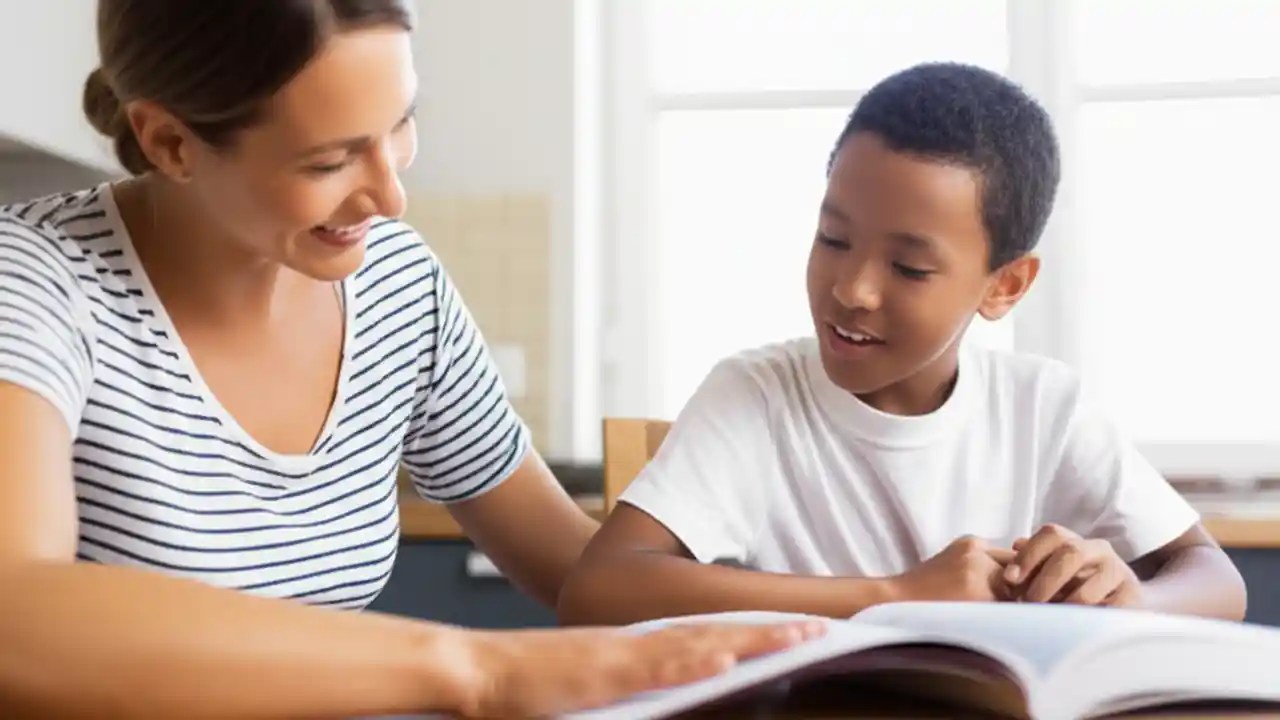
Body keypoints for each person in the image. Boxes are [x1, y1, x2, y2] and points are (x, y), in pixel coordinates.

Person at [0, 2, 823, 717]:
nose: (389, 195)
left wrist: (852, 614)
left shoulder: (398, 287)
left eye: (400, 125)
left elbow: (580, 572)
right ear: (170, 141)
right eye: (329, 162)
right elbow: (17, 616)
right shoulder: (36, 281)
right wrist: (479, 669)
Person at [558, 63, 1247, 626]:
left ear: (1004, 286)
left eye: (909, 268)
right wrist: (895, 594)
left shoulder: (1044, 407)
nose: (852, 289)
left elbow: (1216, 581)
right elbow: (599, 592)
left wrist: (1134, 598)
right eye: (833, 239)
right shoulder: (758, 397)